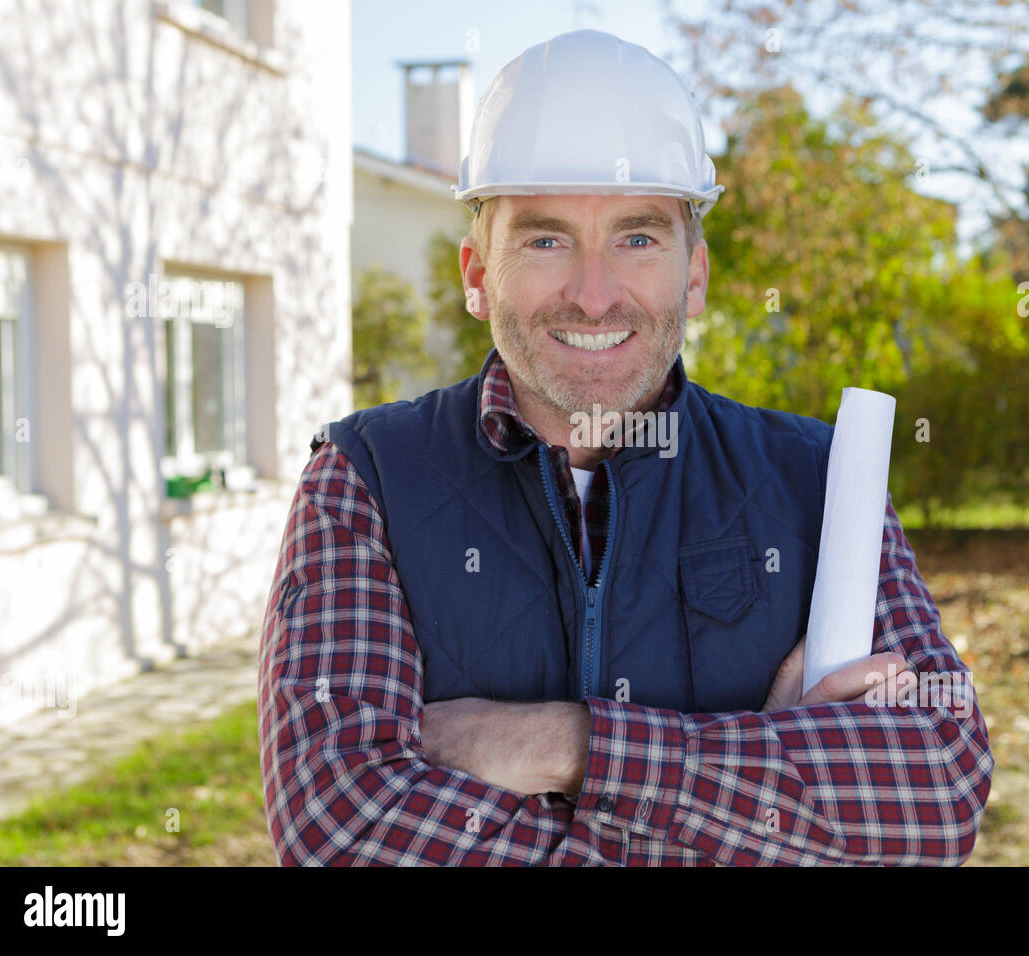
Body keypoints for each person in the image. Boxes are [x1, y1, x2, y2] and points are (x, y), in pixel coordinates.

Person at [258, 29, 992, 866]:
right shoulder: (366, 481)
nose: (595, 294)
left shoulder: (818, 480)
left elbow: (934, 796)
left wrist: (571, 745)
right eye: (545, 239)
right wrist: (767, 773)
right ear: (475, 274)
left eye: (638, 238)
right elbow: (341, 833)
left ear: (696, 274)